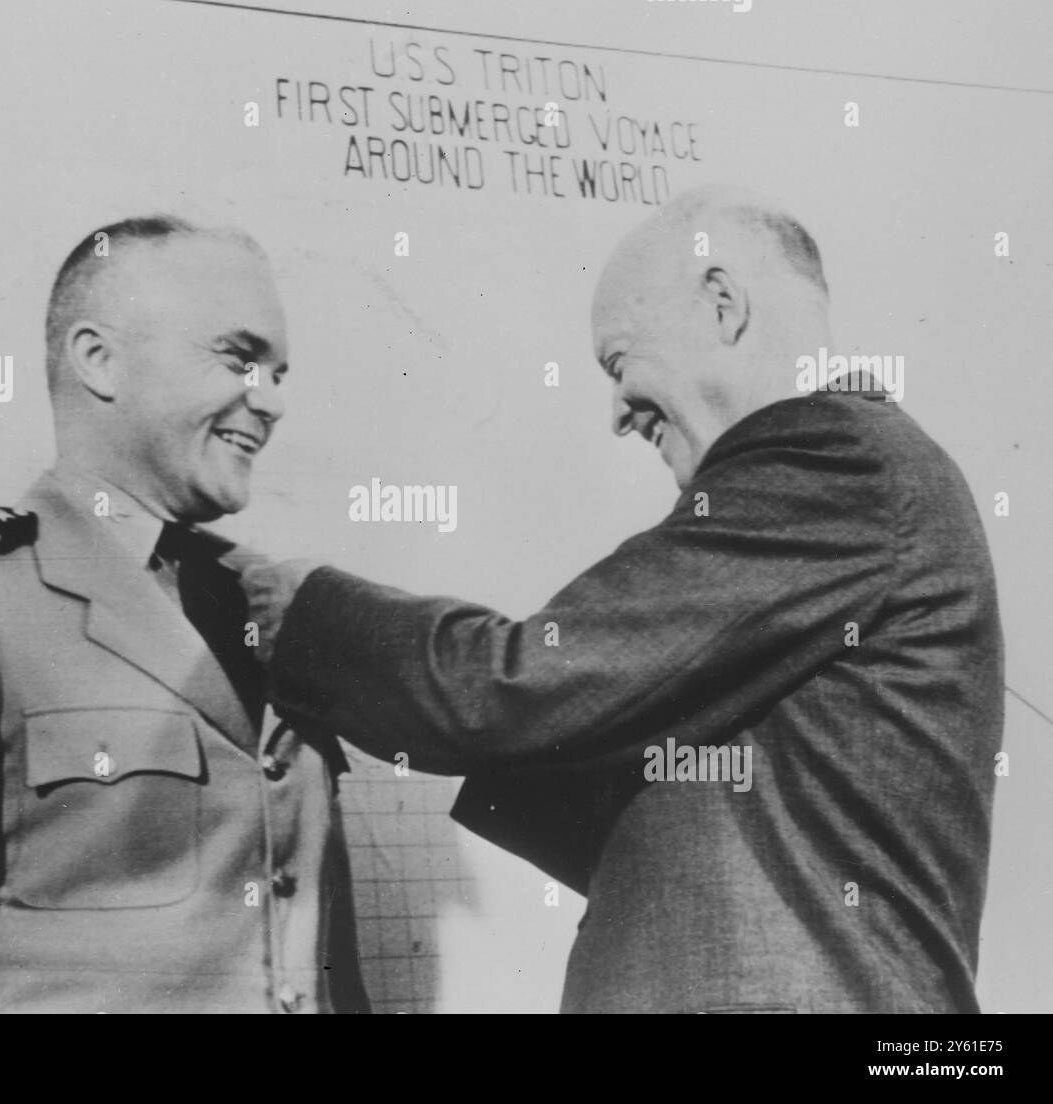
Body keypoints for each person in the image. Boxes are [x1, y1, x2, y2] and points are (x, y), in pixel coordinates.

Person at [241, 187, 1003, 1014]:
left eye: (618, 363)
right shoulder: (859, 484)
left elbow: (513, 685)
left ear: (723, 306)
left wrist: (306, 615)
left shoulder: (835, 463)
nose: (615, 414)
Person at [0, 216, 368, 1014]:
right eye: (239, 357)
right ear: (99, 360)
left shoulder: (272, 602)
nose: (272, 401)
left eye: (280, 371)